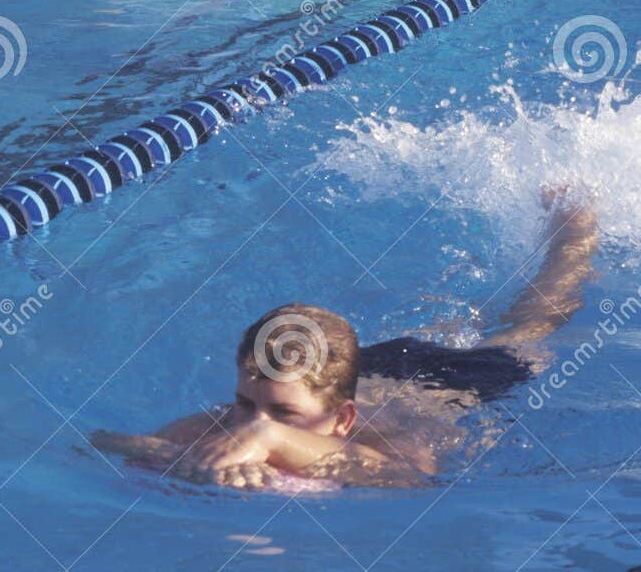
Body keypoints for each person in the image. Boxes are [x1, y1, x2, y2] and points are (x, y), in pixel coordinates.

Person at [89, 192, 600, 490]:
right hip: (379, 364)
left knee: (533, 324)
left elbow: (406, 482)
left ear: (343, 419)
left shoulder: (386, 441)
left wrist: (271, 441)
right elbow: (108, 442)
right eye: (245, 403)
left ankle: (573, 231)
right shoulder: (244, 413)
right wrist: (192, 459)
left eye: (282, 414)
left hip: (463, 381)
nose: (251, 422)